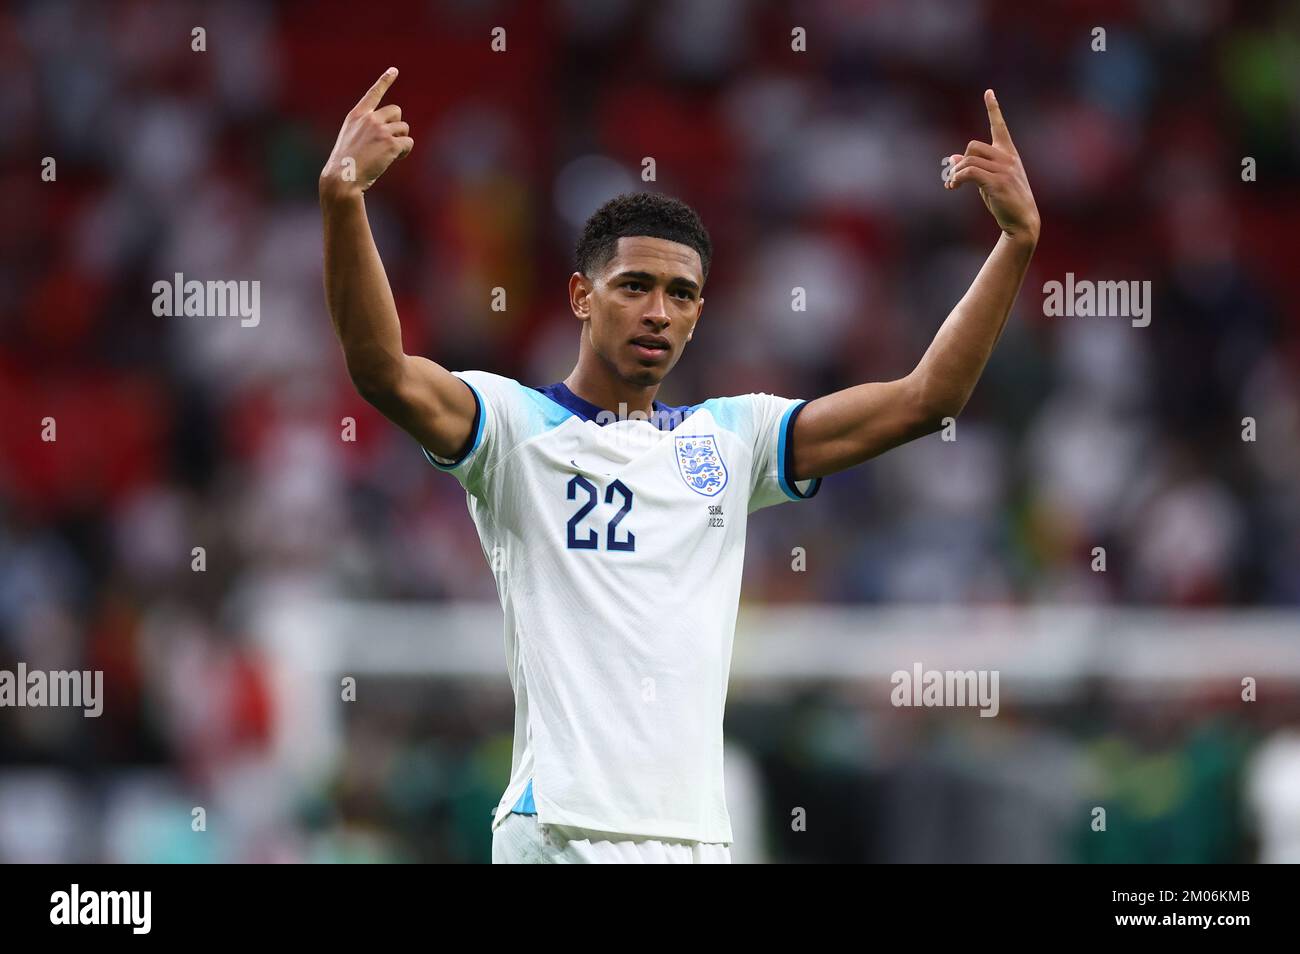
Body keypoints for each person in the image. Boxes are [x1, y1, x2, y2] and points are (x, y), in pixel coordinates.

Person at [318, 68, 1040, 863]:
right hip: (562, 828)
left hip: (695, 839)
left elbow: (925, 400)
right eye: (633, 286)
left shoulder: (736, 440)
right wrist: (345, 202)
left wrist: (1014, 245)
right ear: (581, 296)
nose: (658, 311)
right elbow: (381, 370)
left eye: (681, 293)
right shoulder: (514, 428)